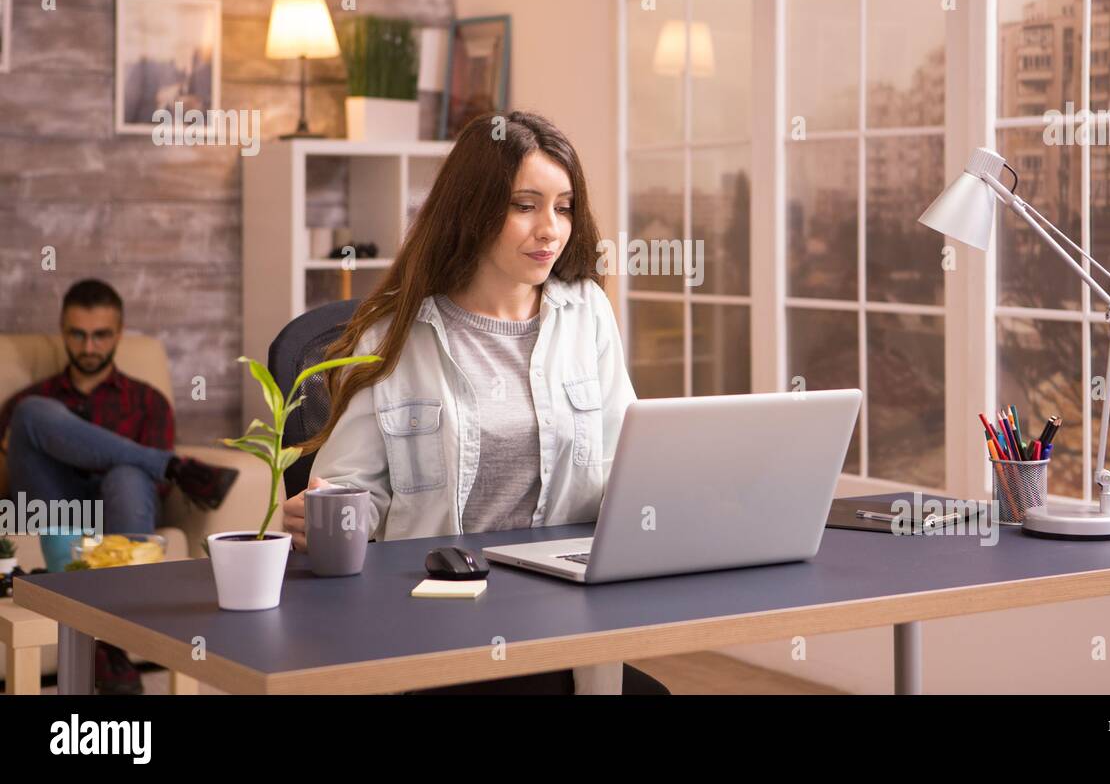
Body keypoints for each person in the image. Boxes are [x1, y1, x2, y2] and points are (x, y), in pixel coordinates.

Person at [282, 110, 666, 695]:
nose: (550, 230)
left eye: (563, 207)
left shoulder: (587, 312)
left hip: (567, 613)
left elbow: (623, 463)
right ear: (474, 208)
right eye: (524, 206)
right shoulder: (390, 335)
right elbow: (351, 491)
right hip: (437, 622)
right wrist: (330, 515)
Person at [0, 279, 240, 693]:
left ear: (119, 332)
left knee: (128, 474)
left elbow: (153, 496)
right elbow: (12, 481)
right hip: (56, 512)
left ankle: (104, 646)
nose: (89, 347)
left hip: (122, 518)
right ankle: (177, 467)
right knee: (31, 413)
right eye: (78, 334)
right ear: (62, 331)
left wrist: (112, 463)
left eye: (101, 335)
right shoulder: (32, 399)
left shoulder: (148, 402)